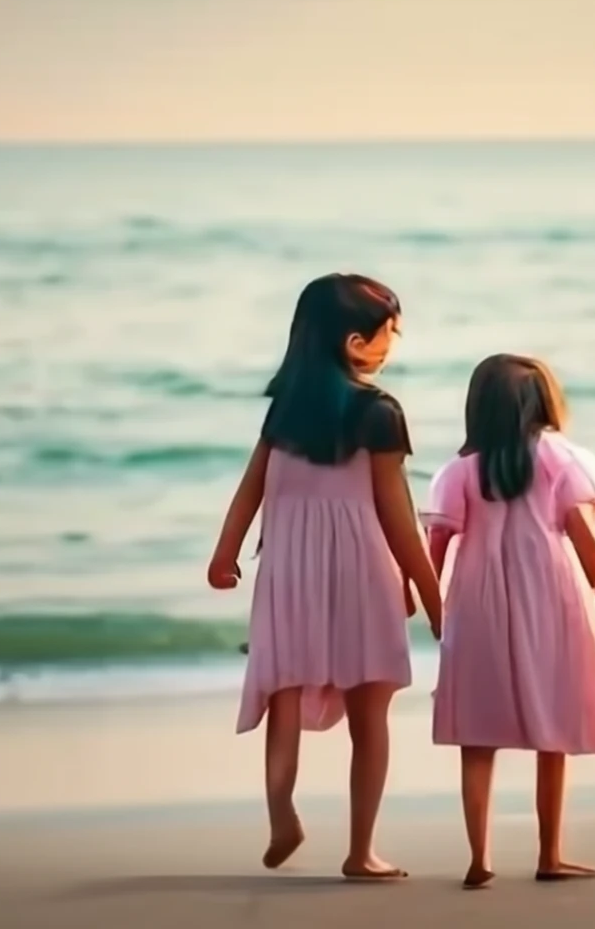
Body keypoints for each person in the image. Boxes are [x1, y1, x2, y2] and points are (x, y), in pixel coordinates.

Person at [207, 273, 442, 880]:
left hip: (288, 570)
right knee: (370, 716)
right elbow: (397, 516)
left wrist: (225, 552)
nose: (394, 343)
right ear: (356, 341)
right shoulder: (379, 412)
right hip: (361, 571)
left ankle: (281, 810)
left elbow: (251, 486)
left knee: (285, 692)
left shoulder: (284, 411)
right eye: (391, 331)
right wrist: (430, 591)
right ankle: (361, 851)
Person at [421, 354, 595, 890]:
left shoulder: (460, 471)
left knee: (476, 736)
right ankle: (551, 854)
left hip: (476, 601)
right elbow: (589, 547)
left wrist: (431, 609)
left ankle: (479, 858)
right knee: (555, 729)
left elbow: (435, 548)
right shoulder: (561, 462)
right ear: (545, 402)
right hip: (552, 593)